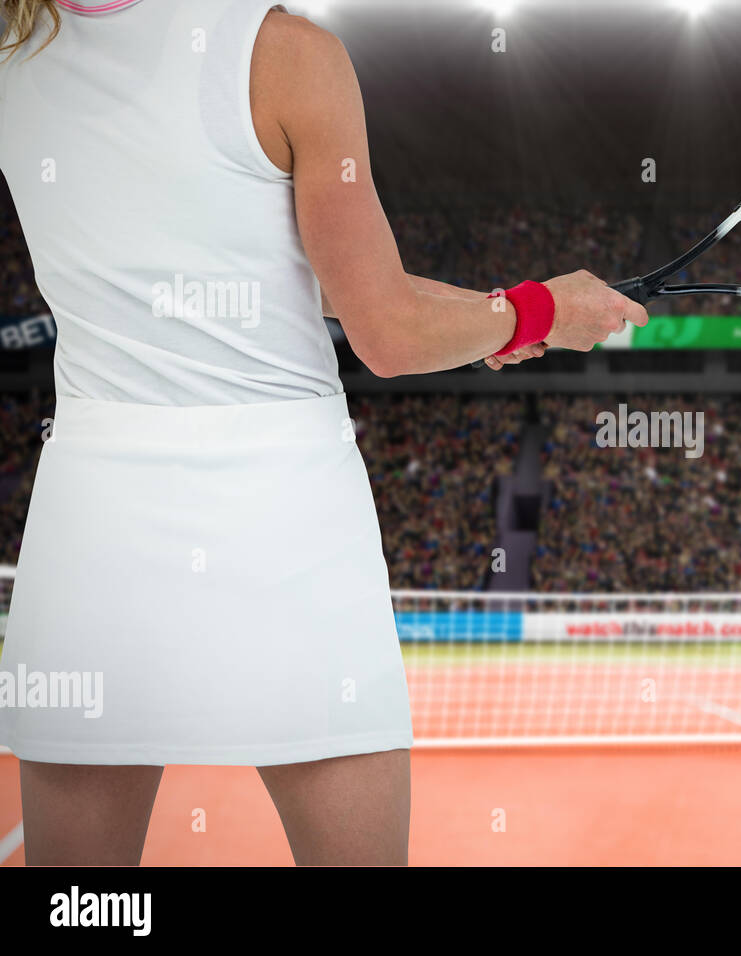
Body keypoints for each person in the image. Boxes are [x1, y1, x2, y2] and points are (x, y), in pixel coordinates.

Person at [0, 0, 646, 865]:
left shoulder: (14, 49)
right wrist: (541, 309)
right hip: (284, 504)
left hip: (91, 509)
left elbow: (328, 284)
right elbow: (384, 330)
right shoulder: (286, 53)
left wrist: (500, 315)